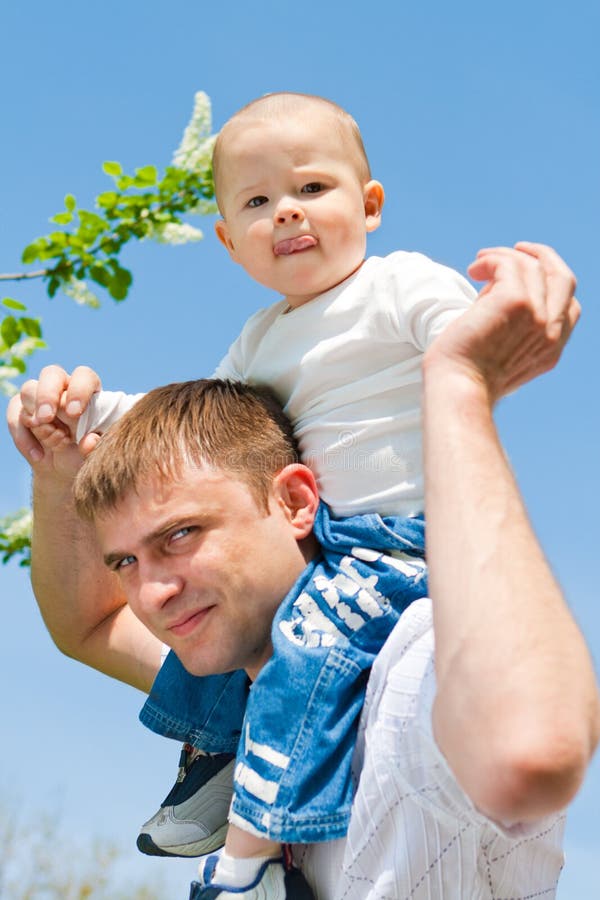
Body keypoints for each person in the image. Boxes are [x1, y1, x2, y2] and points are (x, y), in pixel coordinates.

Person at [7, 241, 600, 899]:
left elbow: (534, 752)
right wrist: (58, 474)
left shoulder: (408, 662)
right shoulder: (242, 682)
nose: (152, 591)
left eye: (181, 535)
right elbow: (83, 623)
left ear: (294, 500)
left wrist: (458, 389)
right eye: (125, 559)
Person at [59, 91, 480, 872]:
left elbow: (461, 338)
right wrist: (100, 412)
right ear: (227, 240)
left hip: (398, 542)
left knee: (306, 654)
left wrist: (499, 324)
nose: (287, 213)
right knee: (223, 644)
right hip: (322, 543)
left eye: (312, 189)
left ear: (370, 204)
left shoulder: (396, 287)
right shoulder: (262, 340)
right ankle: (221, 755)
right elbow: (198, 424)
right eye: (258, 201)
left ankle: (247, 859)